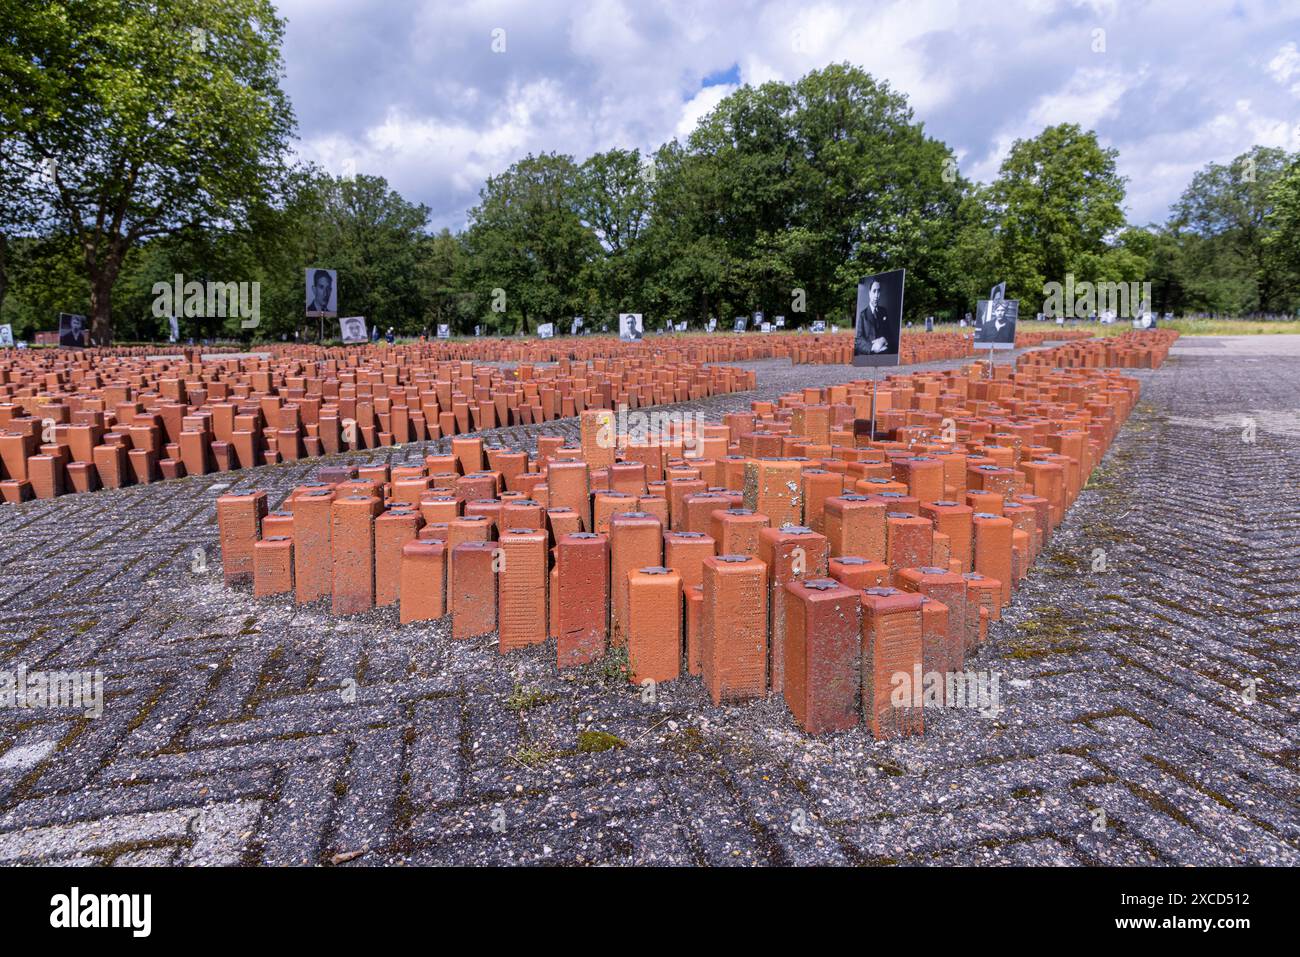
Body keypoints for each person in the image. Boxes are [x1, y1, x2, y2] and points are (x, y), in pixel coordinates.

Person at [855, 279, 892, 354]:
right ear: (869, 293)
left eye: (878, 291)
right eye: (874, 291)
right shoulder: (863, 315)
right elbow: (858, 340)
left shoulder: (883, 311)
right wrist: (872, 348)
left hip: (883, 353)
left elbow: (890, 334)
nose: (876, 295)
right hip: (868, 356)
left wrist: (884, 339)